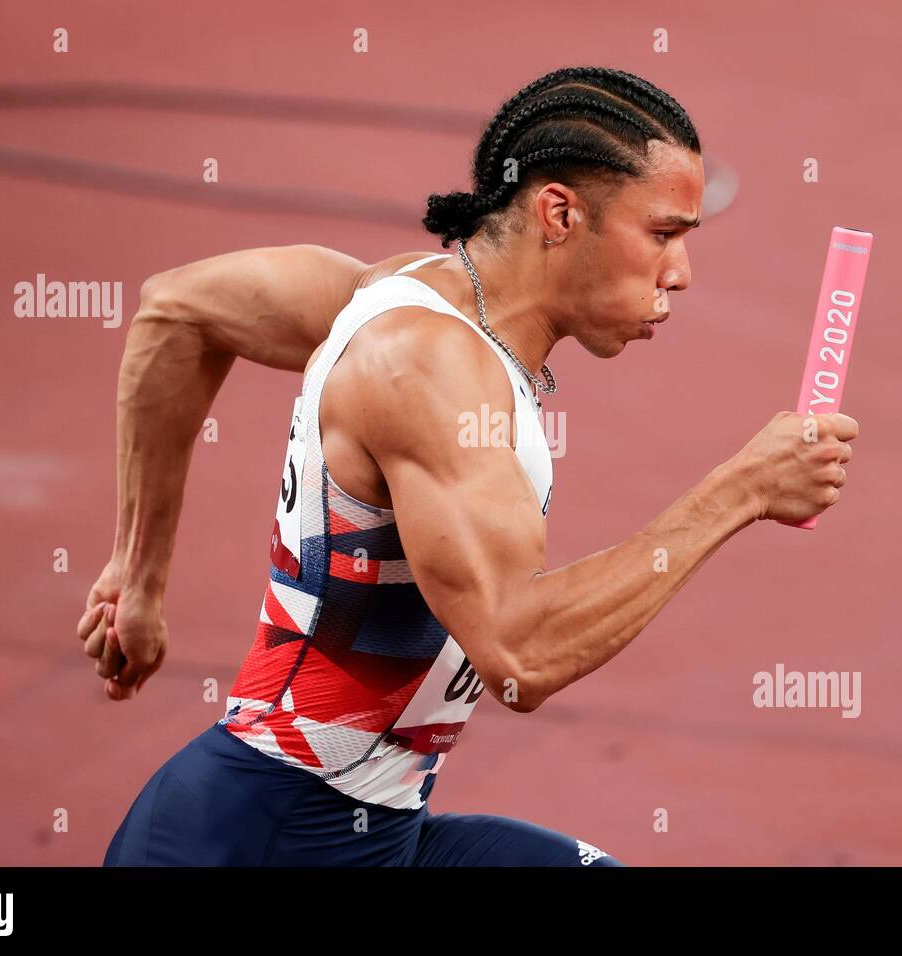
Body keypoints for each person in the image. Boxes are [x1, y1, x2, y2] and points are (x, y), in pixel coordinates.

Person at [77, 65, 859, 866]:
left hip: (373, 836)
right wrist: (741, 491)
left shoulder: (400, 293)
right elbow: (520, 656)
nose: (681, 273)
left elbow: (178, 312)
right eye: (663, 235)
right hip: (257, 838)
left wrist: (137, 579)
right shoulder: (427, 369)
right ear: (559, 212)